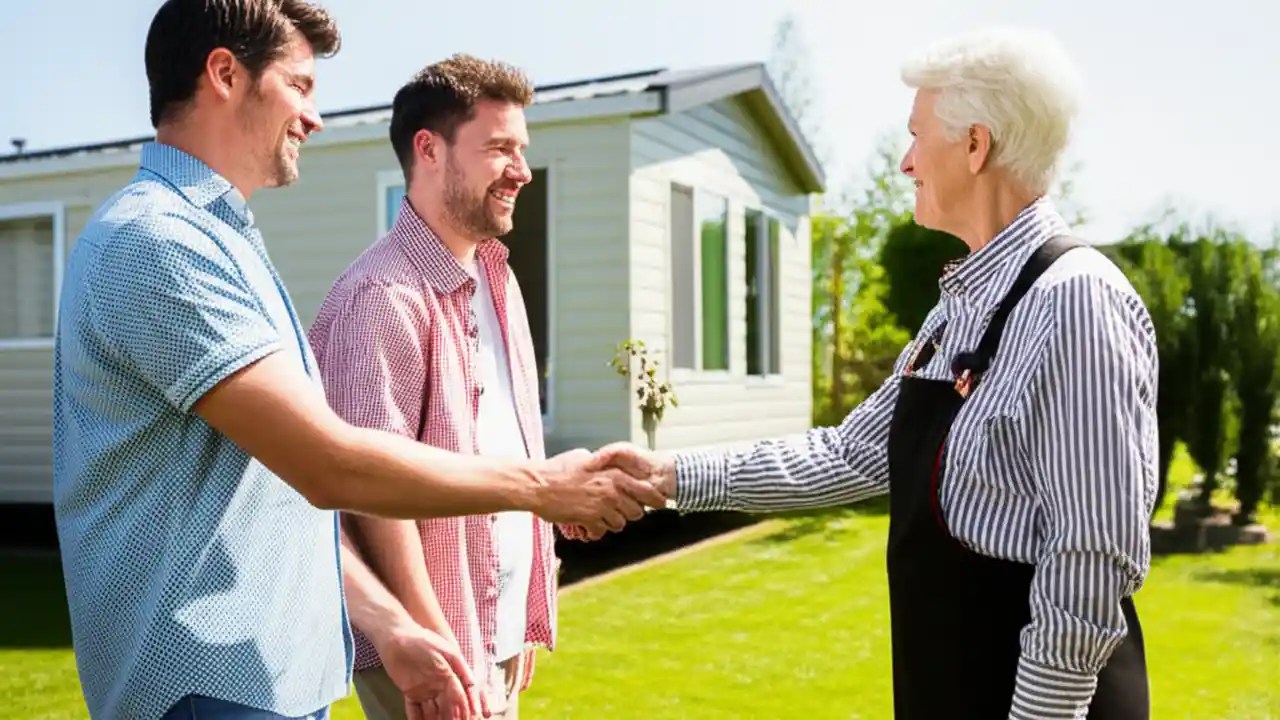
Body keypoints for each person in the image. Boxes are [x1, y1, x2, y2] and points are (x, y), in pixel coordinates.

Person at [50, 2, 661, 719]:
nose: (314, 117)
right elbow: (330, 465)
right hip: (204, 687)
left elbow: (280, 490)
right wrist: (539, 488)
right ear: (223, 73)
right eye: (300, 86)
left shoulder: (223, 245)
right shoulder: (158, 243)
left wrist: (386, 620)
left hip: (266, 682)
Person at [603, 27, 1156, 720]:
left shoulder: (1075, 300)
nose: (905, 162)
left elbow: (1091, 554)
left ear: (976, 146)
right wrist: (668, 477)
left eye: (918, 135)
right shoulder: (956, 312)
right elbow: (851, 451)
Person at [308, 55, 560, 720]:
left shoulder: (499, 282)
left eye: (522, 149)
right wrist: (442, 647)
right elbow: (371, 494)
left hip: (490, 637)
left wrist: (516, 611)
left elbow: (509, 451)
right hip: (429, 656)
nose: (522, 171)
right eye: (500, 148)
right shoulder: (382, 296)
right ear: (430, 149)